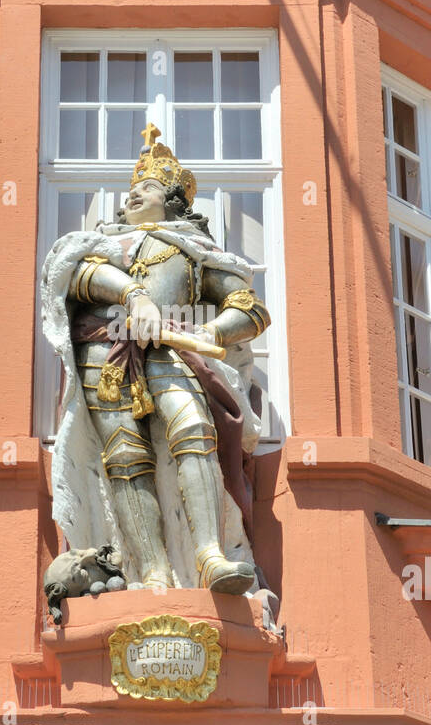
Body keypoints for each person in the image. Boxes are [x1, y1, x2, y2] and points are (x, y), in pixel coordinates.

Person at [40, 124, 271, 593]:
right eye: (130, 192)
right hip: (103, 355)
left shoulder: (192, 251)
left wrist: (207, 331)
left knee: (192, 428)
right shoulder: (106, 242)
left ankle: (209, 556)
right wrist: (134, 293)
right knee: (124, 457)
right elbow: (79, 275)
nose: (131, 198)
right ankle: (152, 571)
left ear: (172, 200)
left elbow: (249, 309)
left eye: (145, 189)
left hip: (169, 348)